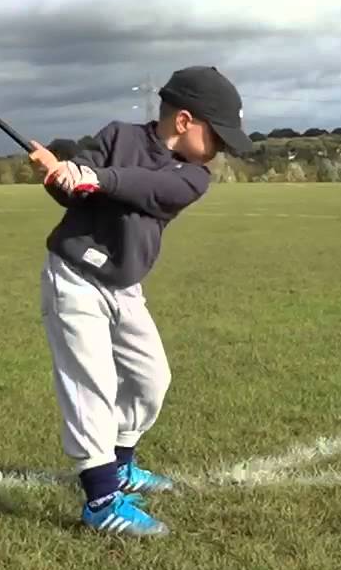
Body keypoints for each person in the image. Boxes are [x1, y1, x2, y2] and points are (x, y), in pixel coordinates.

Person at [27, 66, 252, 536]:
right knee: (92, 382)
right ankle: (101, 500)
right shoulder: (115, 136)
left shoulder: (193, 177)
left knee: (152, 379)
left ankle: (123, 461)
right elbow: (72, 194)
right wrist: (57, 175)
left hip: (125, 286)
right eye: (219, 137)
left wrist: (96, 178)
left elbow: (147, 189)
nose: (221, 151)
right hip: (72, 276)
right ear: (185, 121)